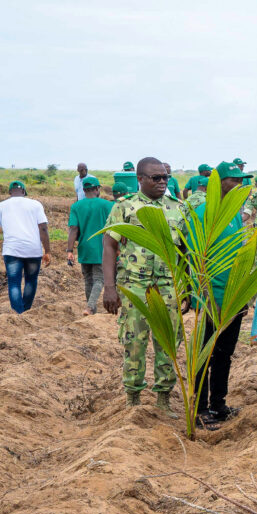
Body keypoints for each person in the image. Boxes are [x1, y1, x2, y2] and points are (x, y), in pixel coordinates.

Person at [102, 158, 184, 408]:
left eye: (165, 177)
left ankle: (163, 399)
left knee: (168, 342)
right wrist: (109, 288)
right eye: (155, 178)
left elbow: (185, 248)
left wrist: (187, 288)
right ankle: (133, 398)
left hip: (168, 287)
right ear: (140, 179)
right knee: (133, 341)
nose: (162, 182)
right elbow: (109, 245)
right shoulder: (125, 207)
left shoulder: (178, 207)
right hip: (134, 286)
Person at [188, 162, 255, 429]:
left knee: (225, 354)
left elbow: (238, 257)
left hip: (232, 298)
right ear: (218, 182)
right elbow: (196, 259)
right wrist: (205, 299)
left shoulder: (236, 215)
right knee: (206, 353)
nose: (240, 184)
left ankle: (218, 404)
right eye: (234, 179)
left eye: (242, 180)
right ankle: (200, 409)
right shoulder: (204, 212)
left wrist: (243, 296)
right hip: (210, 300)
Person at [65, 175, 112, 313]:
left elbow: (73, 228)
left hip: (84, 247)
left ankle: (92, 308)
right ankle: (90, 307)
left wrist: (69, 250)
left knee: (88, 279)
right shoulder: (107, 205)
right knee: (99, 278)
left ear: (84, 190)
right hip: (101, 247)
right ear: (97, 189)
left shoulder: (76, 206)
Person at [1, 180, 49, 314]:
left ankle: (18, 313)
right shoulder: (35, 204)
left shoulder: (2, 206)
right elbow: (43, 228)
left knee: (14, 283)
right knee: (31, 281)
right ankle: (26, 310)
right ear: (23, 192)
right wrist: (48, 251)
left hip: (12, 250)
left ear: (10, 192)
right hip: (33, 251)